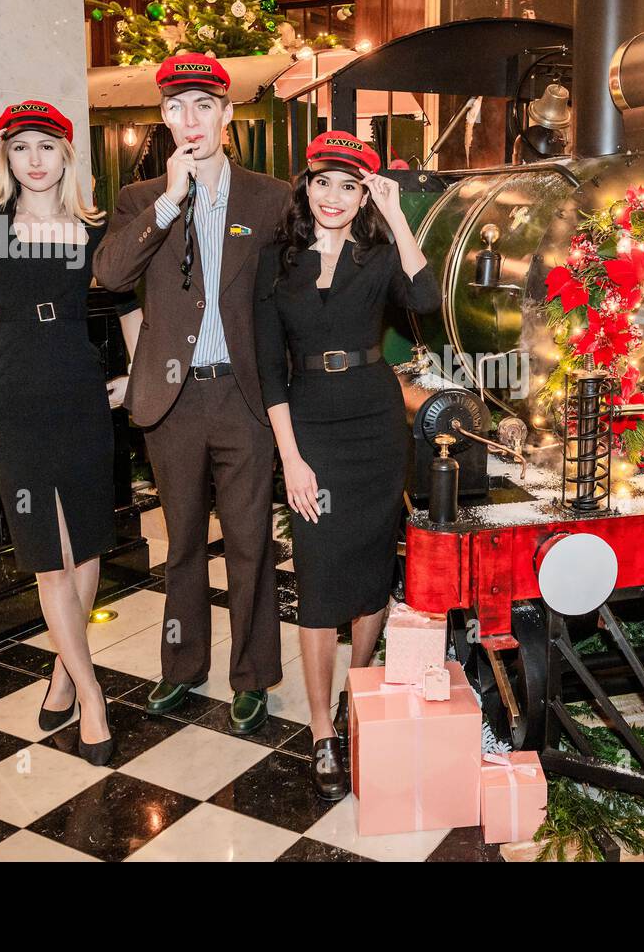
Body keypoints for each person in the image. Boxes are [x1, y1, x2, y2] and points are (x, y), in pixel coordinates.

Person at [0, 100, 141, 766]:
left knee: (85, 548)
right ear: (7, 159)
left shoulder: (90, 225)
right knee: (49, 554)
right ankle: (92, 693)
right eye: (20, 148)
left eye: (46, 147)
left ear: (66, 155)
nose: (35, 160)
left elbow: (130, 293)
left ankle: (61, 673)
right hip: (14, 394)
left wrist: (138, 376)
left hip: (78, 387)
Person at [93, 53, 291, 733]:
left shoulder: (271, 198)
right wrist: (170, 200)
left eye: (204, 106)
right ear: (163, 117)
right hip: (172, 402)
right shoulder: (140, 197)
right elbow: (112, 275)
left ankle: (253, 675)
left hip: (243, 396)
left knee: (248, 542)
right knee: (180, 542)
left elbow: (291, 293)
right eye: (176, 108)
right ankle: (181, 667)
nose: (190, 120)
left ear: (229, 113)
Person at [255, 131, 441, 800]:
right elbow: (268, 373)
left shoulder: (379, 252)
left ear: (365, 193)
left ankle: (355, 693)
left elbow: (425, 301)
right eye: (323, 182)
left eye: (350, 185)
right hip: (310, 426)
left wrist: (396, 213)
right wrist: (292, 460)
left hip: (375, 423)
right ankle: (319, 728)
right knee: (317, 575)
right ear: (306, 186)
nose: (334, 197)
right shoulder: (276, 261)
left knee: (368, 573)